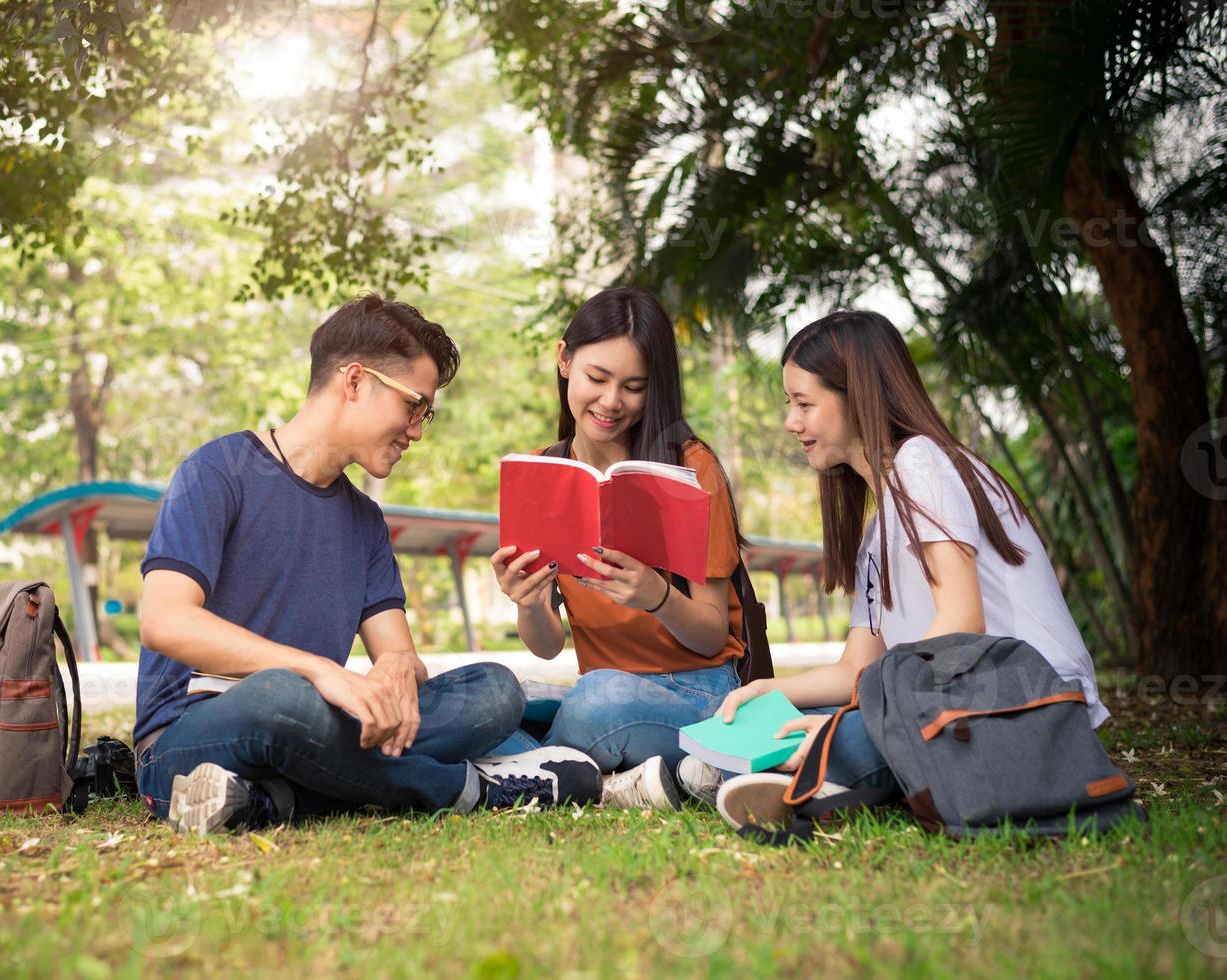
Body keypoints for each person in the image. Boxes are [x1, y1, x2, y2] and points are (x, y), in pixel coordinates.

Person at [133, 294, 600, 836]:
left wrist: (400, 668)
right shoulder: (217, 471)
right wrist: (321, 672)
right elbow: (164, 621)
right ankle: (471, 789)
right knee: (283, 697)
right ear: (354, 381)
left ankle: (271, 801)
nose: (418, 430)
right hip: (189, 737)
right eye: (413, 406)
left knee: (495, 692)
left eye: (428, 414)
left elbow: (398, 654)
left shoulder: (364, 521)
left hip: (317, 727)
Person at [691, 309, 1110, 829]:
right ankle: (808, 773)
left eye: (804, 404)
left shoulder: (923, 463)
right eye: (789, 404)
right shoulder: (877, 528)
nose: (790, 422)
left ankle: (807, 780)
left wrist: (854, 718)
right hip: (955, 704)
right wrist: (768, 691)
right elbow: (855, 671)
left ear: (858, 397)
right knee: (801, 725)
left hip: (1028, 706)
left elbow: (961, 625)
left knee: (841, 732)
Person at [489, 286, 750, 811]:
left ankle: (536, 771)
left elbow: (709, 635)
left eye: (634, 387)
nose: (611, 402)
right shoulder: (546, 472)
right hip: (605, 690)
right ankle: (624, 782)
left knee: (594, 701)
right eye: (597, 378)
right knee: (495, 700)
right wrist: (528, 602)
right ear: (564, 360)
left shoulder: (691, 469)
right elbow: (545, 646)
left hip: (697, 691)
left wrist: (655, 595)